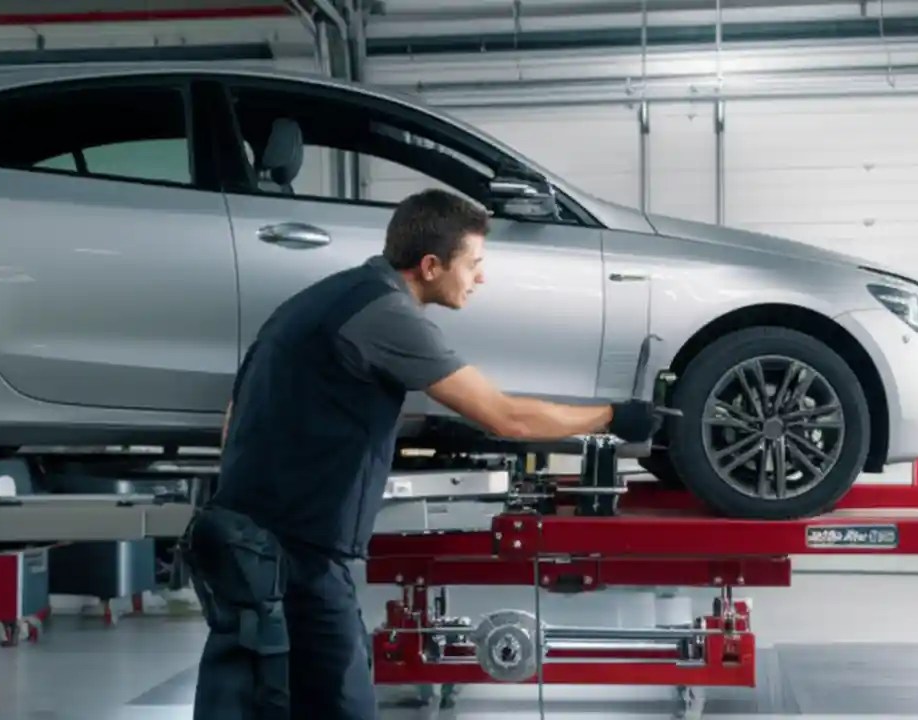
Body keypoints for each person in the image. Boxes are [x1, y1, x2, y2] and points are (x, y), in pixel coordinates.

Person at [182, 188, 662, 720]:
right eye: (474, 263)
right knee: (338, 704)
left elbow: (237, 411)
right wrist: (613, 417)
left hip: (250, 543)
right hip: (298, 556)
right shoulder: (385, 314)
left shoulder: (327, 298)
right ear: (431, 266)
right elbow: (506, 417)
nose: (480, 278)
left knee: (264, 696)